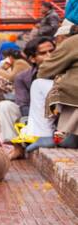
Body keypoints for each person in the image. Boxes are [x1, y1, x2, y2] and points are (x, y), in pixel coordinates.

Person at [0, 36, 56, 157]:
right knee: (5, 106)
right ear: (33, 59)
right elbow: (23, 105)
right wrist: (30, 128)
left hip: (59, 116)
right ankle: (17, 148)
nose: (49, 55)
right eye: (43, 53)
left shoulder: (66, 71)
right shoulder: (23, 77)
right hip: (33, 116)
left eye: (52, 51)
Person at [38, 16, 78, 145]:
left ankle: (42, 133)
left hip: (73, 93)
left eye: (58, 39)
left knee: (38, 84)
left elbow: (44, 71)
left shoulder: (73, 41)